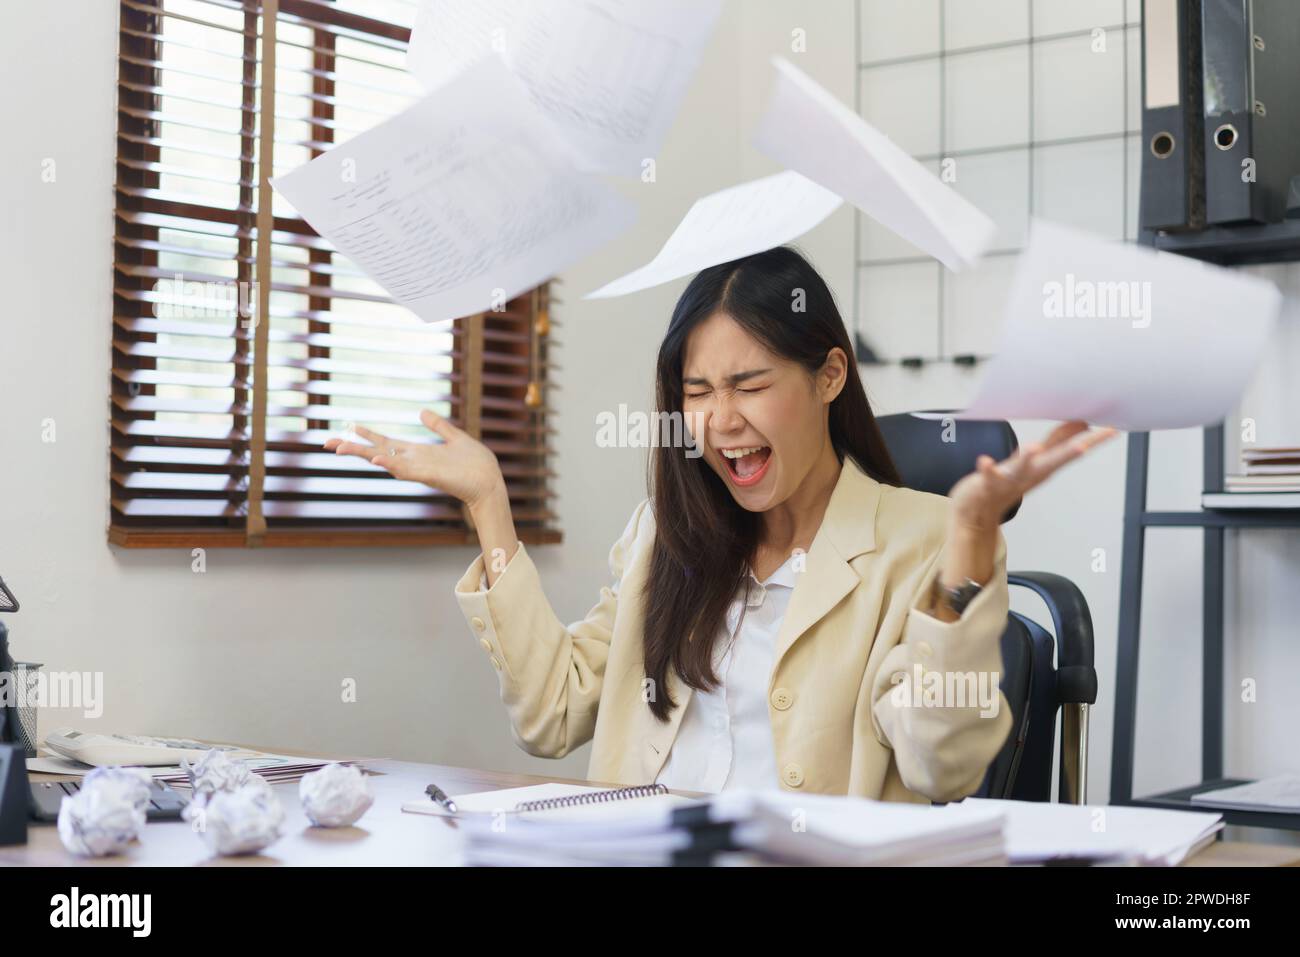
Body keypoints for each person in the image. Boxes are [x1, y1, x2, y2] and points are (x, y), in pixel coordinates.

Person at [326, 246, 1114, 803]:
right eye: (697, 390)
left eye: (749, 384)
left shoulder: (926, 542)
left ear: (829, 375)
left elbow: (942, 763)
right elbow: (553, 711)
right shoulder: (663, 534)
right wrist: (490, 505)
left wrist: (967, 559)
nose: (719, 420)